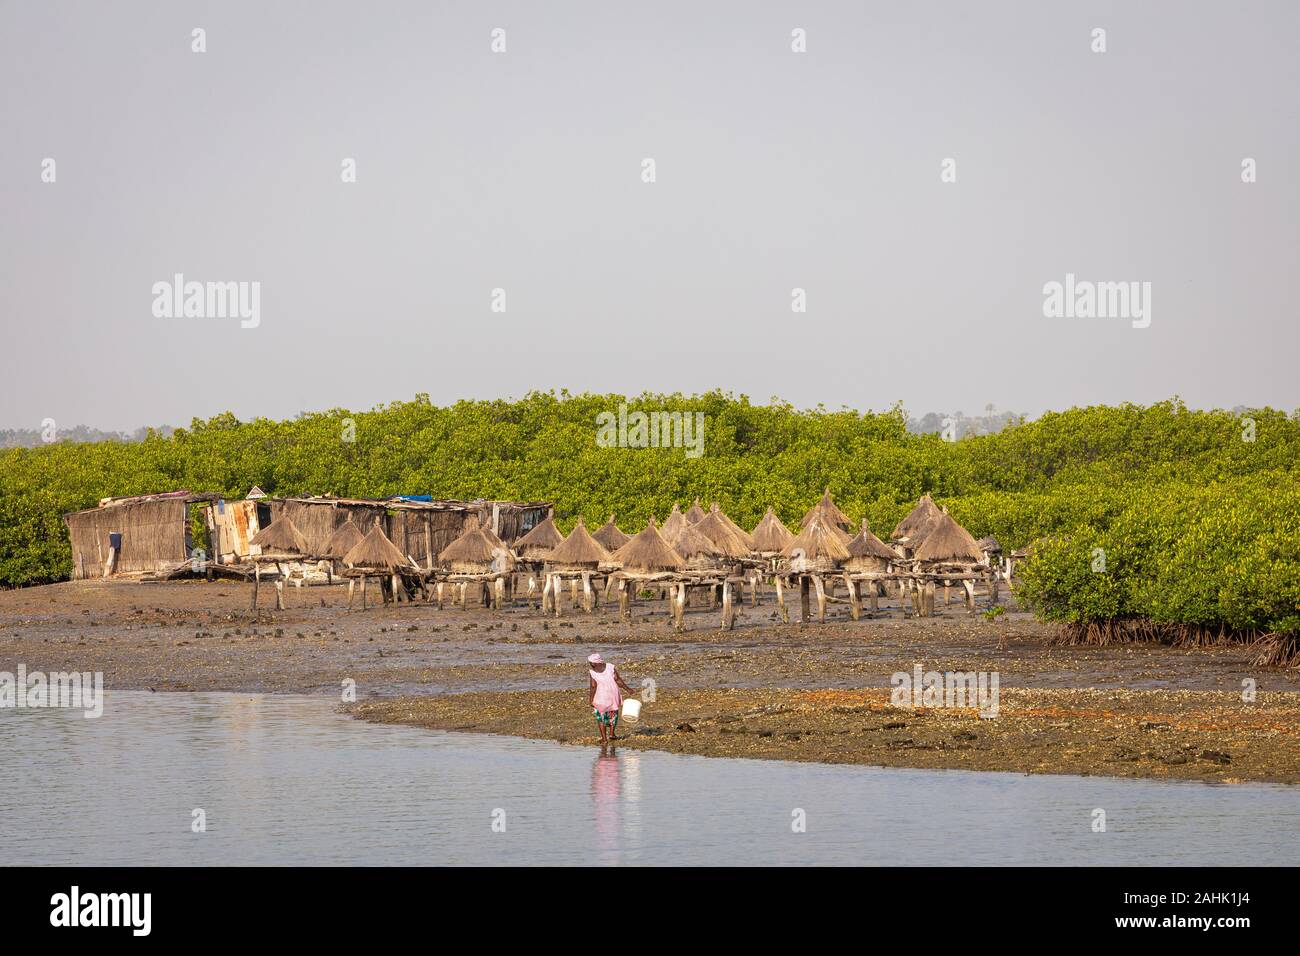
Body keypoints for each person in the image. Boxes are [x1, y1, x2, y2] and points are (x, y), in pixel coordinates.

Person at [587, 653, 631, 744]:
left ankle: (604, 738)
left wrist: (591, 699)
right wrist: (627, 689)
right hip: (613, 694)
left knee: (601, 718)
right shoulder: (610, 667)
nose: (590, 664)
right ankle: (611, 733)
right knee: (613, 714)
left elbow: (593, 686)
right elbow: (618, 679)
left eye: (590, 663)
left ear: (594, 663)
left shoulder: (593, 672)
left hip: (601, 696)